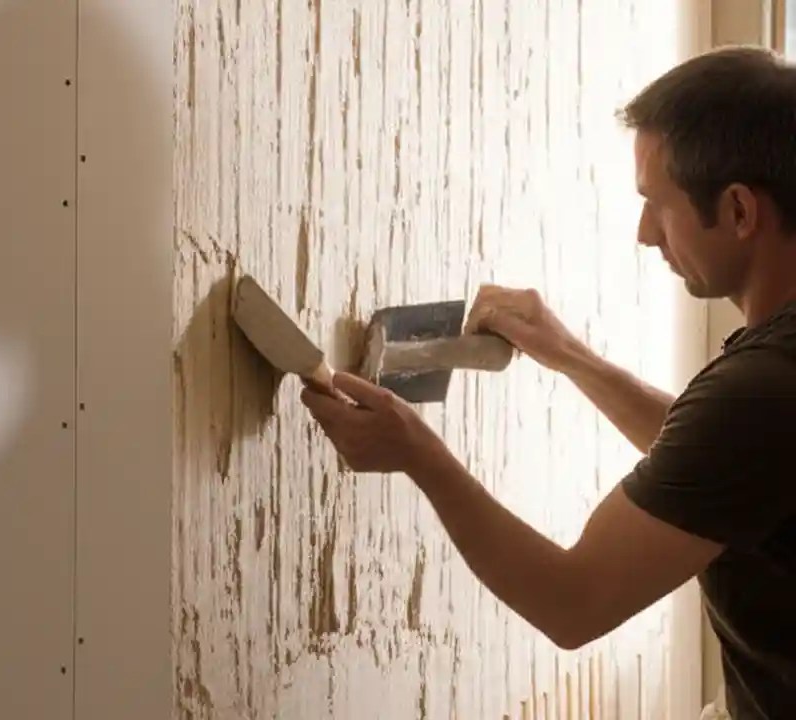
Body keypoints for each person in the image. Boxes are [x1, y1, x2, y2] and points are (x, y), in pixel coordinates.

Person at [301, 46, 796, 719]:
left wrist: (418, 454)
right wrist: (573, 359)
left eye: (658, 204)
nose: (645, 234)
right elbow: (727, 467)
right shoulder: (769, 383)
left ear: (739, 211)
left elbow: (573, 602)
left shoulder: (758, 394)